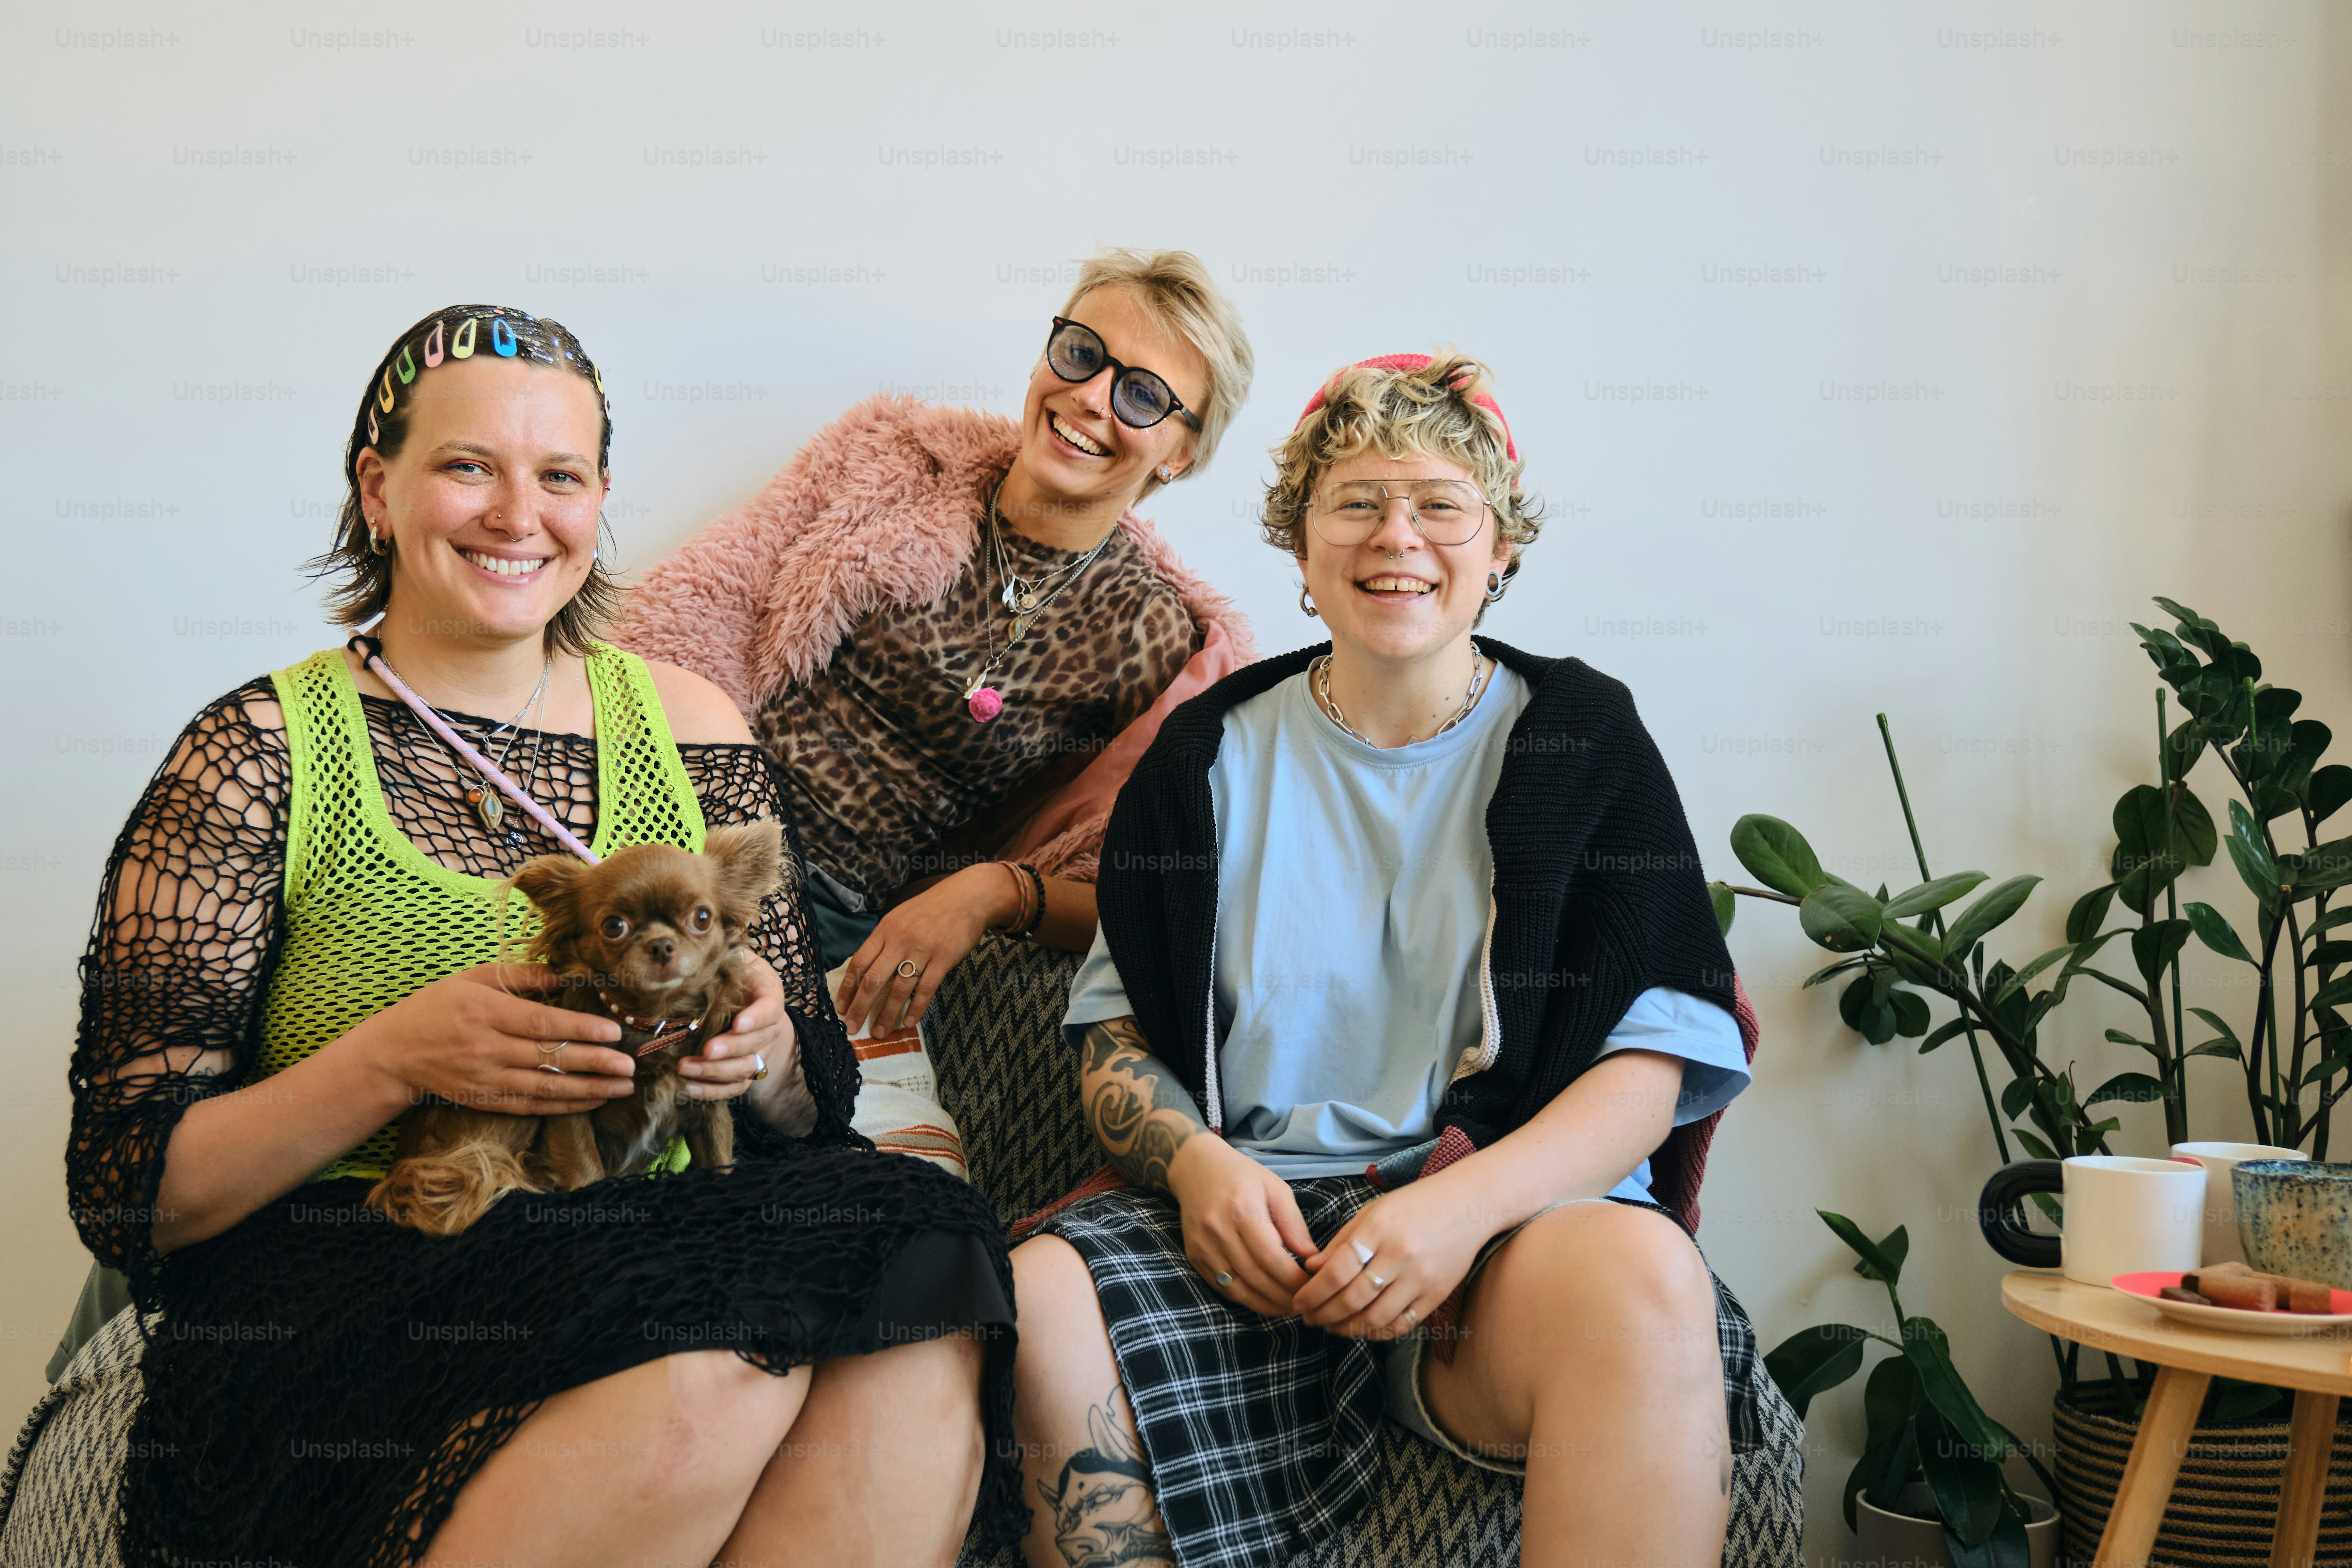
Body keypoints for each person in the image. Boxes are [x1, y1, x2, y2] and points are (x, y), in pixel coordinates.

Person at [33, 305, 1018, 1567]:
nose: (517, 514)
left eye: (559, 476)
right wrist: (393, 1059)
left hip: (672, 1198)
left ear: (598, 500)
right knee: (710, 1362)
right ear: (377, 490)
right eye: (466, 467)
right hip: (391, 1246)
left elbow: (812, 1095)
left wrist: (760, 1046)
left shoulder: (695, 723)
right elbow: (131, 1191)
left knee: (927, 1270)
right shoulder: (254, 754)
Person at [1005, 354, 1765, 1568]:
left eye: (1440, 503)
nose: (1395, 536)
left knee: (1643, 1273)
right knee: (1039, 1292)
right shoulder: (1199, 756)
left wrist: (1456, 1209)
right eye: (1354, 501)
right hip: (1248, 1230)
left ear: (1501, 544)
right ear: (1299, 549)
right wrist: (1199, 1169)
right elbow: (1114, 1036)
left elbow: (1659, 1054)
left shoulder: (1586, 734)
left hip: (1498, 1226)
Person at [618, 247, 1254, 1039]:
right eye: (1082, 353)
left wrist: (994, 888)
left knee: (694, 1070)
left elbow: (1131, 879)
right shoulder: (890, 456)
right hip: (671, 809)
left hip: (831, 914)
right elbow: (702, 606)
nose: (1091, 397)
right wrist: (690, 807)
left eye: (1143, 395)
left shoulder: (1154, 638)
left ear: (1182, 453)